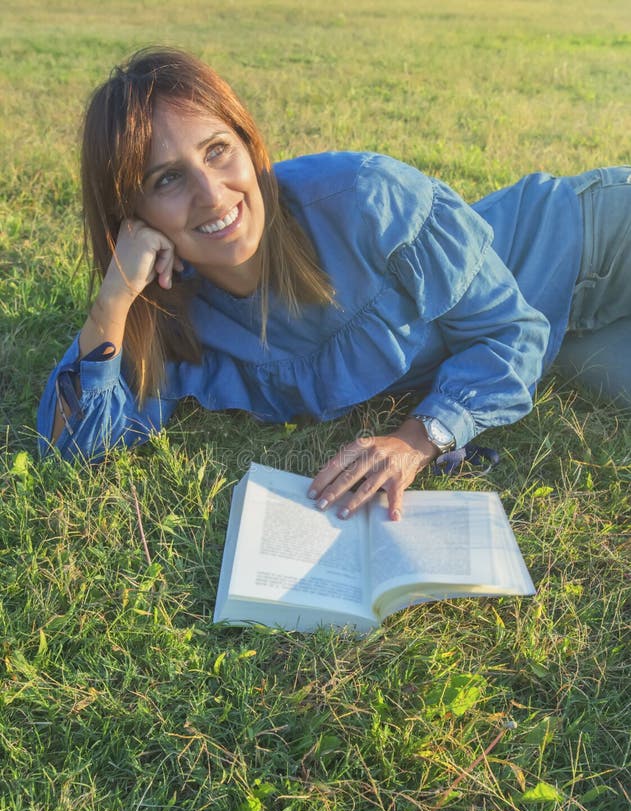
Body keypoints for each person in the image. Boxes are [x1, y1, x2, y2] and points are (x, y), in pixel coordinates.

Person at [38, 47, 631, 521]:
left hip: (591, 238)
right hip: (567, 337)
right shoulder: (176, 319)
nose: (212, 194)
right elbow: (68, 451)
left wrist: (417, 439)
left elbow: (511, 331)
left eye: (218, 150)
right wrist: (113, 301)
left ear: (249, 145)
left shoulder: (365, 196)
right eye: (167, 179)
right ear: (132, 215)